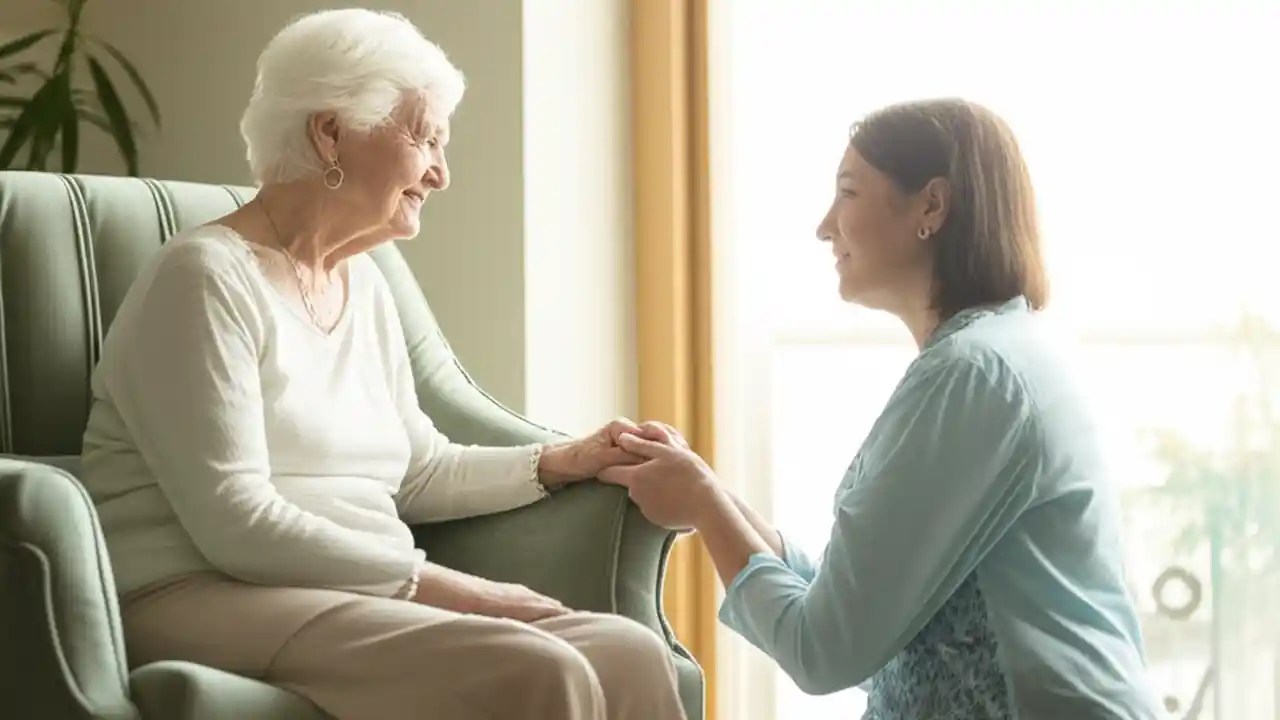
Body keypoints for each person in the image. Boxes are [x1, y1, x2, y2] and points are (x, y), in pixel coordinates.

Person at [80, 9, 686, 720]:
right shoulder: (204, 279)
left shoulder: (362, 280)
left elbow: (417, 469)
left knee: (629, 652)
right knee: (535, 670)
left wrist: (561, 459)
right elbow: (236, 524)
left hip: (343, 594)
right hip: (197, 592)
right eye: (425, 137)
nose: (441, 172)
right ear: (329, 131)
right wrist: (456, 591)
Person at [602, 99, 1161, 719]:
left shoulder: (971, 378)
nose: (824, 226)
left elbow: (823, 650)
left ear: (931, 206)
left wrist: (705, 507)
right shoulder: (998, 356)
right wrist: (713, 495)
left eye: (848, 193)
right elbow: (863, 611)